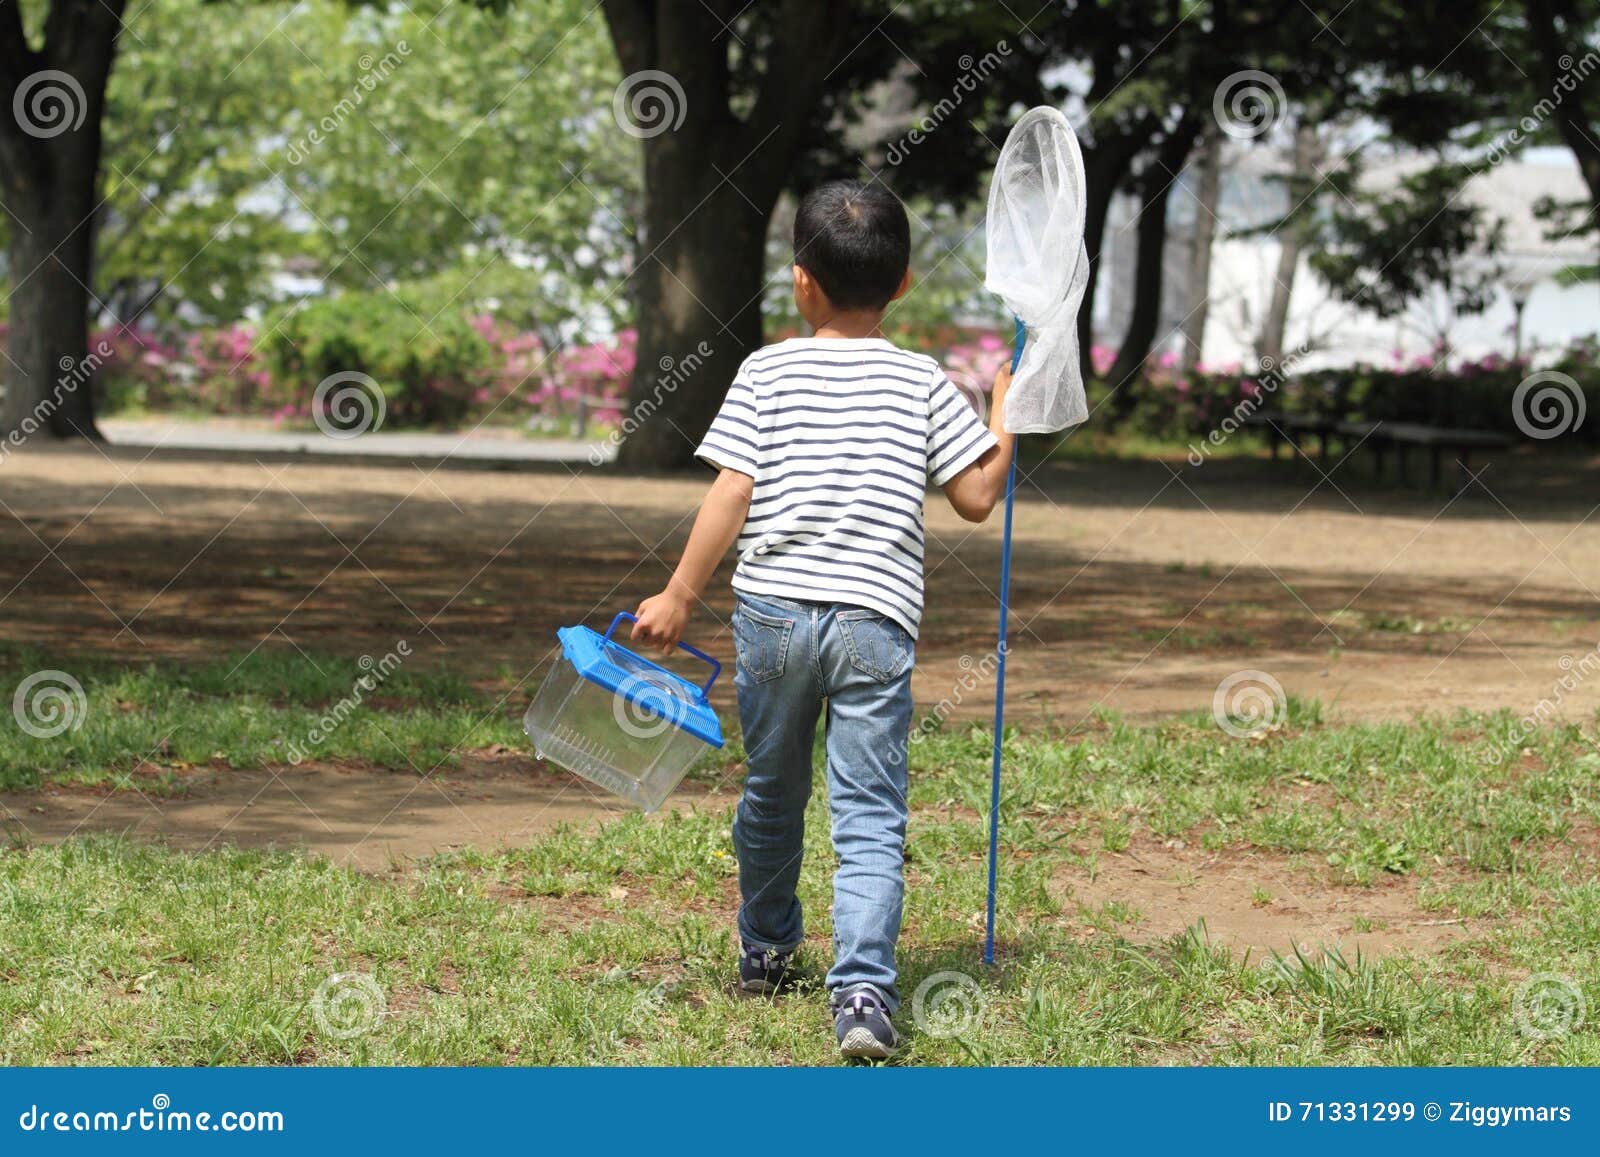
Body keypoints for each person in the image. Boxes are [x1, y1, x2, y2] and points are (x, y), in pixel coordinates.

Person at [629, 179, 1014, 1059]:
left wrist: (680, 593)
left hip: (771, 615)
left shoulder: (767, 368)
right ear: (905, 282)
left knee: (772, 787)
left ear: (800, 281)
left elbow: (734, 487)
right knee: (870, 808)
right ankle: (865, 995)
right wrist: (1006, 415)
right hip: (875, 618)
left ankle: (766, 949)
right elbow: (976, 498)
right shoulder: (922, 380)